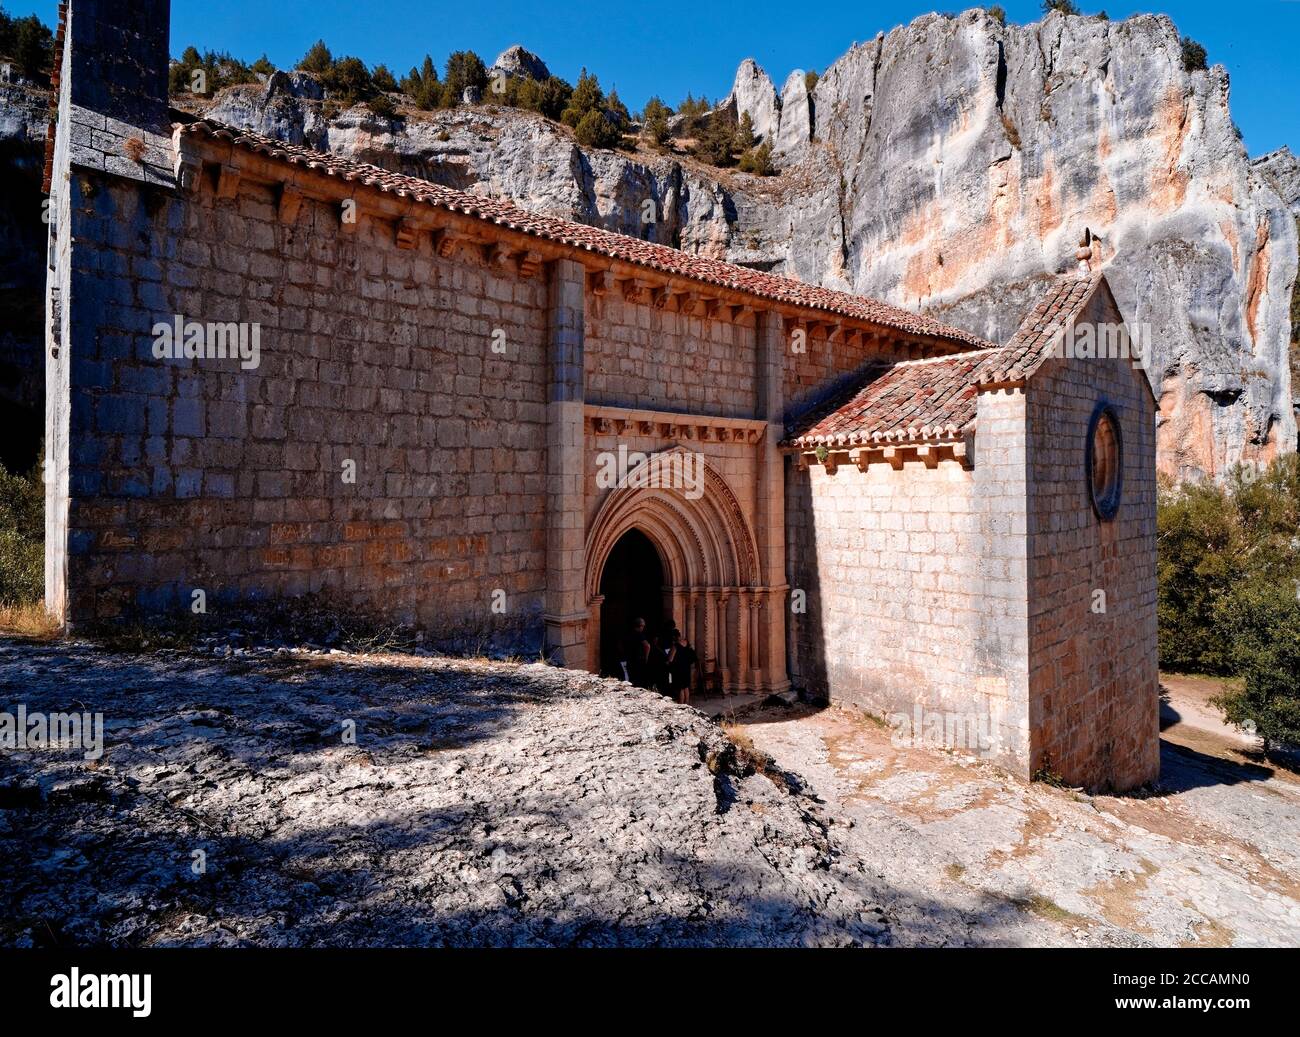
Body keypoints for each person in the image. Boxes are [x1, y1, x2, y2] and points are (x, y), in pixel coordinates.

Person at [664, 628, 698, 705]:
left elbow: (670, 659)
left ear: (673, 637)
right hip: (686, 668)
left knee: (680, 689)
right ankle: (687, 705)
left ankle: (682, 705)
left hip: (679, 669)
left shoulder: (675, 646)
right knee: (686, 687)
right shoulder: (686, 642)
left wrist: (666, 661)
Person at [620, 617, 652, 688]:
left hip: (629, 659)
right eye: (643, 626)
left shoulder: (628, 633)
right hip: (639, 659)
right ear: (640, 626)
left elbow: (621, 645)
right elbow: (647, 646)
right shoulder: (640, 634)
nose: (643, 628)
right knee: (640, 679)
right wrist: (646, 657)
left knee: (631, 677)